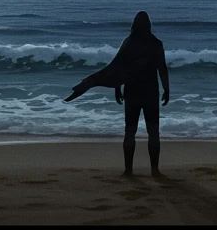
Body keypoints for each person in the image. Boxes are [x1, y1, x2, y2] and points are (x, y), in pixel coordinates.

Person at [62, 10, 170, 176]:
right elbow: (162, 68)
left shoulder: (128, 42)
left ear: (134, 24)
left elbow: (118, 68)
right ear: (149, 24)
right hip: (150, 93)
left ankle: (128, 170)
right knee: (153, 132)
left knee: (130, 131)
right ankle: (154, 170)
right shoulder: (156, 43)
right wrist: (166, 89)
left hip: (132, 91)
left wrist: (117, 88)